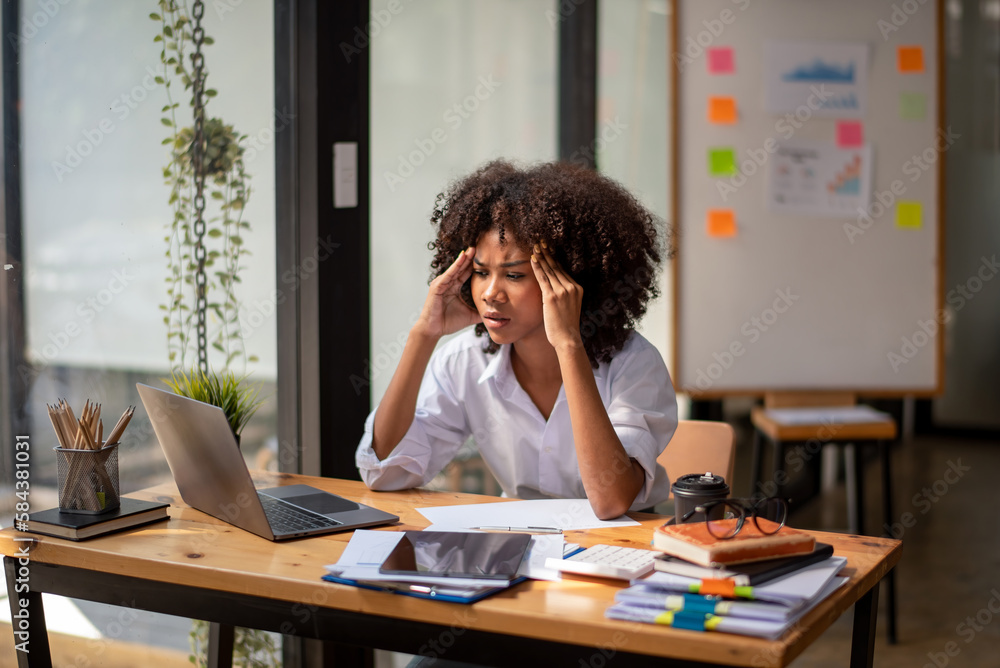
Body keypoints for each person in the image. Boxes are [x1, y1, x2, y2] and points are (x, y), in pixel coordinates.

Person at [355, 159, 677, 519]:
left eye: (514, 275)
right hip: (522, 545)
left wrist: (568, 344)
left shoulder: (633, 363)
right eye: (479, 272)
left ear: (569, 280)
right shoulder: (465, 361)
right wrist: (423, 334)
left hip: (627, 546)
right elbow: (384, 473)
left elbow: (611, 500)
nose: (491, 293)